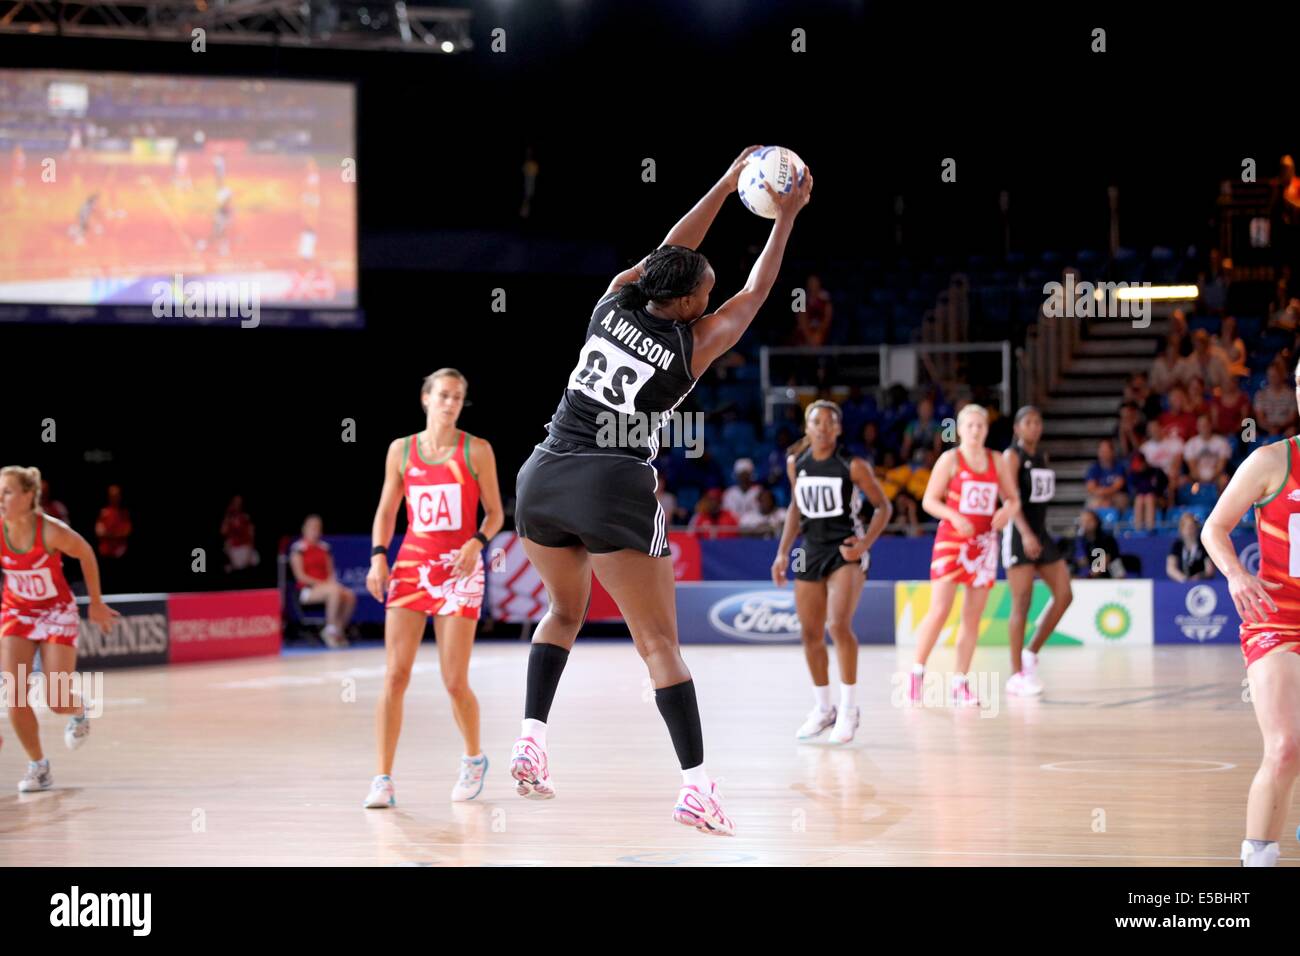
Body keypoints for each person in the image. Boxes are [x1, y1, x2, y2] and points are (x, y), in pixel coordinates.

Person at [509, 146, 812, 835]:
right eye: (704, 290)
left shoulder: (614, 296)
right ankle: (697, 788)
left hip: (542, 476)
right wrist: (784, 216)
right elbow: (756, 296)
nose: (712, 293)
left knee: (562, 612)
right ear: (682, 304)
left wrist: (726, 180)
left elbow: (671, 249)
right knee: (659, 646)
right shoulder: (688, 347)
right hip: (610, 484)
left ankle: (531, 739)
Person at [363, 369, 505, 807]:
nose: (451, 403)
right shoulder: (400, 450)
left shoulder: (476, 449)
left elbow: (496, 514)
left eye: (458, 397)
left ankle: (473, 758)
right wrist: (378, 555)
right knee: (394, 674)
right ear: (425, 399)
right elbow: (387, 510)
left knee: (453, 680)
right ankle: (382, 778)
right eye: (443, 395)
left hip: (459, 568)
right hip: (411, 564)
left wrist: (476, 544)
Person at [1199, 357, 1300, 864]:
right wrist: (1237, 574)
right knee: (1285, 747)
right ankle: (1257, 860)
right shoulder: (1270, 462)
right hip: (1276, 619)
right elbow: (1212, 529)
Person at [772, 401, 891, 743]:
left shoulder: (852, 466)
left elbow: (884, 506)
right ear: (807, 428)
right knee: (809, 634)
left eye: (829, 422)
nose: (822, 428)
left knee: (837, 625)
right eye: (816, 422)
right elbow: (796, 506)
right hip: (810, 551)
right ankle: (824, 709)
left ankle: (850, 709)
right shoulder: (797, 463)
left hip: (845, 552)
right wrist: (782, 553)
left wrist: (865, 543)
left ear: (838, 429)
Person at [1, 466, 118, 791]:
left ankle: (78, 708)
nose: (0, 498)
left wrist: (95, 602)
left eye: (7, 492)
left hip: (55, 612)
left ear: (28, 496)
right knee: (16, 696)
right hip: (16, 612)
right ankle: (39, 767)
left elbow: (86, 553)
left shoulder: (51, 531)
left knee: (55, 699)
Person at [908, 405, 1020, 706]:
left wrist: (1006, 511)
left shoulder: (997, 460)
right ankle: (917, 672)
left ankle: (960, 682)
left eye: (980, 426)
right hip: (952, 541)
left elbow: (1013, 499)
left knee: (972, 618)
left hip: (984, 544)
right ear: (959, 429)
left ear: (986, 429)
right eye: (969, 425)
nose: (975, 431)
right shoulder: (950, 459)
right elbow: (929, 501)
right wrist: (954, 517)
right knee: (940, 610)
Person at [999, 407, 1072, 697]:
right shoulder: (1011, 456)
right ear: (1017, 428)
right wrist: (1026, 533)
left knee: (1065, 595)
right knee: (1022, 603)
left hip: (1041, 533)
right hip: (1019, 534)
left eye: (1038, 422)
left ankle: (1031, 652)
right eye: (1028, 422)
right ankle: (1016, 674)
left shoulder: (1043, 457)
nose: (1034, 426)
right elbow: (1009, 496)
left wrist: (1037, 533)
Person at [289, 515, 356, 648]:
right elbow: (300, 576)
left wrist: (331, 583)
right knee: (334, 591)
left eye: (318, 528)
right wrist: (325, 585)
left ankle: (338, 630)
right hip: (306, 590)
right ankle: (330, 631)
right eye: (312, 527)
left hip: (326, 587)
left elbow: (331, 573)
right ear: (304, 529)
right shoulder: (297, 549)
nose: (315, 531)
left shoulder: (325, 548)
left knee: (349, 595)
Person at [1181, 413, 1232, 494]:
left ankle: (1221, 504)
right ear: (1197, 427)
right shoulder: (1191, 443)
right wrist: (1201, 479)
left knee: (1224, 480)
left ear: (1210, 425)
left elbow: (1221, 466)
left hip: (1216, 477)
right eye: (1201, 425)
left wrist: (1210, 478)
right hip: (1196, 478)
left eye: (1205, 425)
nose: (1203, 428)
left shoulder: (1221, 442)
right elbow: (1193, 468)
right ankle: (1190, 505)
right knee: (1182, 481)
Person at [94, 484, 131, 586]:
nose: (115, 498)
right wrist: (115, 535)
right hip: (105, 553)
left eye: (117, 495)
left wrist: (110, 535)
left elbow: (126, 531)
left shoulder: (124, 513)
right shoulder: (103, 512)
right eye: (112, 495)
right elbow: (99, 532)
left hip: (120, 553)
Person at [1069, 509, 1125, 578]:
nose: (1086, 524)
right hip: (1094, 569)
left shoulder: (1106, 538)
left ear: (1096, 522)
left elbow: (1105, 560)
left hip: (1112, 570)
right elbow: (1086, 559)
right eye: (1083, 521)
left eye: (1089, 521)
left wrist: (1089, 576)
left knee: (1116, 566)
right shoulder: (1082, 539)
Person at [1255, 360, 1298, 437]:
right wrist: (1270, 428)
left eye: (1275, 376)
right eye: (1270, 376)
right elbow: (1260, 419)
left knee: (1292, 431)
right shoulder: (1261, 394)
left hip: (1285, 429)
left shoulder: (1291, 394)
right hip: (1266, 430)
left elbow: (1292, 418)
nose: (1272, 379)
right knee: (1250, 434)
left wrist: (1279, 427)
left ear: (1281, 375)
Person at [1167, 513, 1215, 582]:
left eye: (1192, 527)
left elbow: (1210, 570)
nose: (1189, 531)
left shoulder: (1203, 544)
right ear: (1181, 529)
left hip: (1201, 583)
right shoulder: (1177, 545)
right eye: (1187, 527)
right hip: (1181, 583)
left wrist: (1199, 577)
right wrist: (1183, 578)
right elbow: (1170, 568)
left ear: (1197, 527)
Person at [1128, 451, 1168, 531]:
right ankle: (1138, 530)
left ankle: (1150, 529)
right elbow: (1132, 493)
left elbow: (1165, 489)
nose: (1138, 468)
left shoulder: (1156, 472)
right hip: (1141, 501)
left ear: (1144, 462)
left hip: (1159, 501)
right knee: (1140, 499)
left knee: (1149, 498)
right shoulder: (1133, 474)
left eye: (1139, 465)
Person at [1085, 438, 1129, 511]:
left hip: (1117, 495)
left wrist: (1104, 493)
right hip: (1099, 496)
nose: (1104, 454)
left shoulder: (1119, 466)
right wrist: (1101, 493)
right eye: (1102, 451)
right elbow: (1090, 487)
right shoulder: (1094, 468)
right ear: (1098, 452)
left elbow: (1117, 486)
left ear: (1112, 452)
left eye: (1107, 451)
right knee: (1093, 503)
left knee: (1109, 503)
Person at [221, 495, 258, 575]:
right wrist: (227, 515)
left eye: (239, 502)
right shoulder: (229, 517)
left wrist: (249, 554)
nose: (237, 504)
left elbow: (251, 536)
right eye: (235, 502)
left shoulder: (246, 517)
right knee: (227, 544)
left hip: (246, 549)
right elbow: (223, 532)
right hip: (234, 550)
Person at [721, 458, 762, 523]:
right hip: (733, 527)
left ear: (751, 475)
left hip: (753, 527)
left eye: (746, 474)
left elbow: (761, 513)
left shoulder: (758, 491)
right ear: (736, 475)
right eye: (741, 474)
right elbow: (727, 514)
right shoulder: (729, 493)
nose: (744, 477)